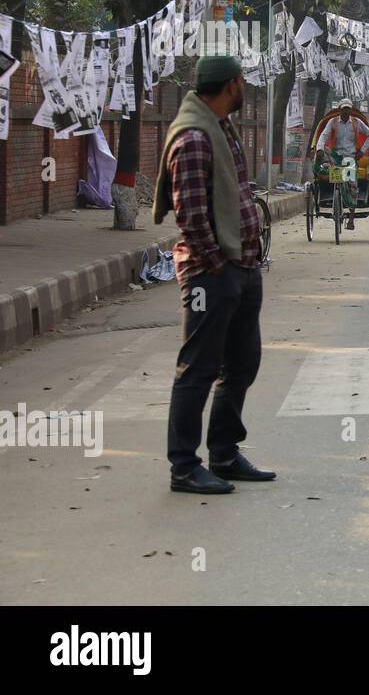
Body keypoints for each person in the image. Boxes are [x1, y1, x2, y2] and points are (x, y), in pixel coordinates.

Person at [152, 53, 272, 495]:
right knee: (198, 369)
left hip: (242, 264)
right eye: (242, 82)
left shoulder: (221, 125)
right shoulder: (194, 136)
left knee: (242, 364)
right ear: (230, 85)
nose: (245, 89)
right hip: (211, 273)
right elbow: (191, 214)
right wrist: (218, 265)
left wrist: (246, 261)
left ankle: (224, 453)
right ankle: (184, 467)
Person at [314, 99, 369, 231]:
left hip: (351, 157)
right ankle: (335, 194)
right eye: (343, 109)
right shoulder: (333, 122)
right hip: (336, 156)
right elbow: (323, 136)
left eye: (348, 109)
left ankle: (351, 218)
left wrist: (362, 151)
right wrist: (319, 149)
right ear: (339, 109)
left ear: (350, 110)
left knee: (352, 185)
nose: (345, 111)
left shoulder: (357, 123)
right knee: (325, 162)